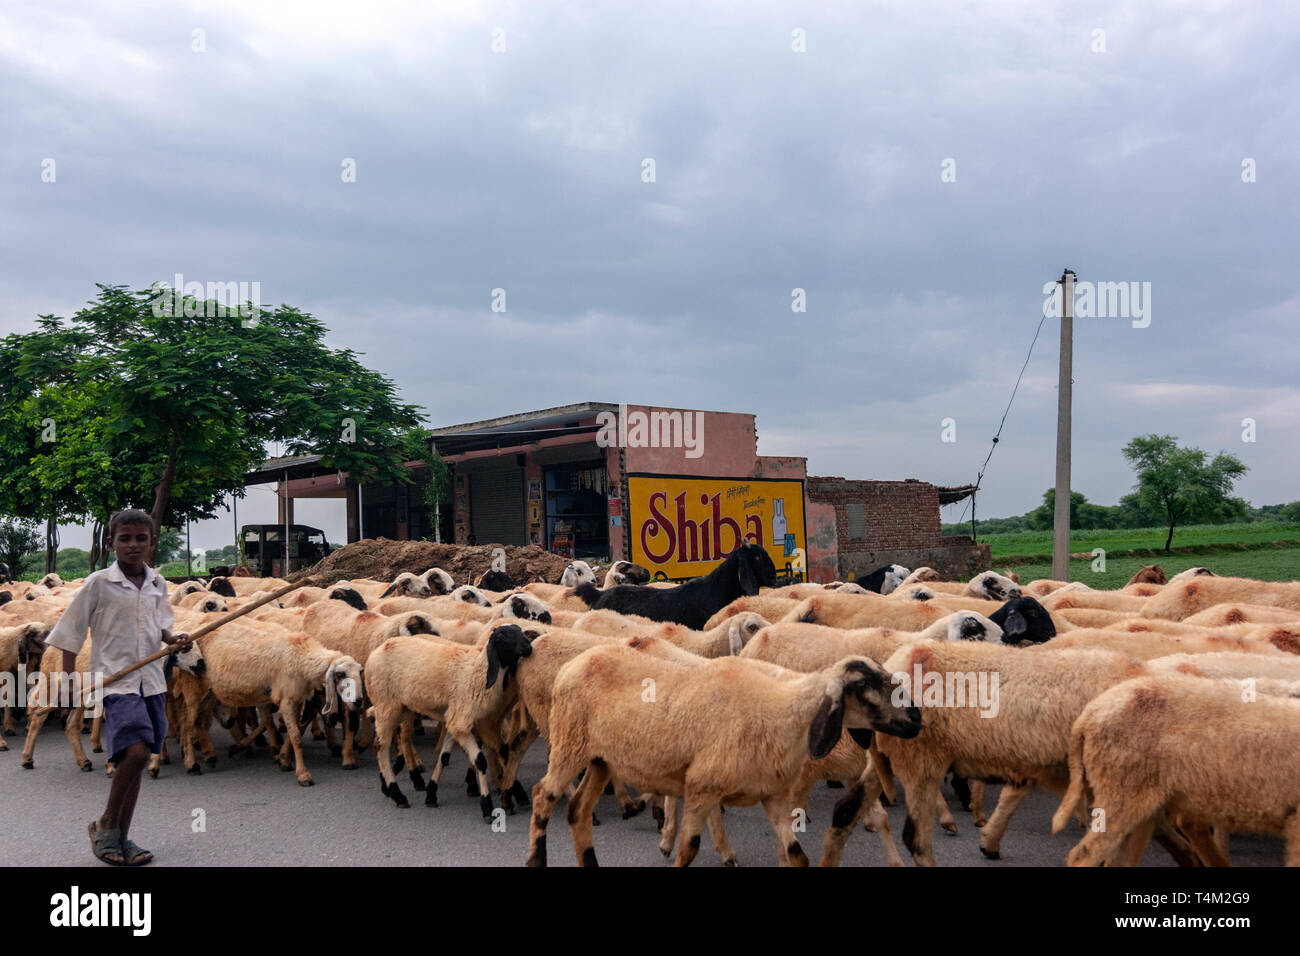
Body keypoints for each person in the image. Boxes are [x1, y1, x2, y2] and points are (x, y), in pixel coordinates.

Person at [47, 509, 191, 866]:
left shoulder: (158, 583)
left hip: (151, 679)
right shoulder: (98, 583)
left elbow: (161, 626)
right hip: (117, 680)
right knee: (138, 752)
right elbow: (69, 635)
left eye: (141, 538)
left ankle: (121, 839)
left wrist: (174, 640)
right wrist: (66, 681)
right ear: (110, 542)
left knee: (135, 759)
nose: (132, 544)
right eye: (124, 538)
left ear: (152, 542)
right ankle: (108, 823)